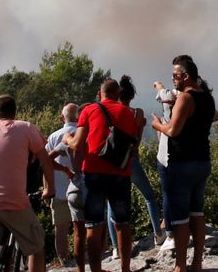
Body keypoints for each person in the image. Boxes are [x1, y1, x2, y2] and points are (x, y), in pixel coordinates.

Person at [0, 95, 57, 272]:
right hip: (14, 202)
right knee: (37, 247)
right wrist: (50, 188)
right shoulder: (26, 128)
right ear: (14, 113)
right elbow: (45, 160)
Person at [67, 78, 143, 272]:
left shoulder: (89, 110)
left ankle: (96, 270)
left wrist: (67, 138)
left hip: (93, 173)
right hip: (120, 173)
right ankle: (125, 268)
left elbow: (77, 144)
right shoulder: (128, 113)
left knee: (93, 225)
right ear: (118, 94)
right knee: (123, 223)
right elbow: (134, 146)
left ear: (100, 94)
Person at [150, 55, 215, 272]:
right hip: (202, 161)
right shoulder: (207, 98)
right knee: (197, 213)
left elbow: (173, 130)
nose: (173, 79)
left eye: (175, 76)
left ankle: (180, 266)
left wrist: (158, 125)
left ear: (185, 76)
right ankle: (197, 263)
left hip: (181, 163)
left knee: (179, 218)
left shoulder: (185, 99)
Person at [104, 78, 165, 257]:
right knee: (149, 197)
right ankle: (158, 234)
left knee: (111, 205)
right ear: (131, 96)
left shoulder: (109, 113)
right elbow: (136, 140)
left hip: (114, 163)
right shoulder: (137, 113)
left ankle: (116, 248)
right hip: (132, 160)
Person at [45, 105, 80, 269]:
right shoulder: (81, 134)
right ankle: (84, 255)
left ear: (61, 118)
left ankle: (64, 261)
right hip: (80, 187)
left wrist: (47, 188)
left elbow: (45, 163)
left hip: (58, 190)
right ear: (78, 117)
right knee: (81, 225)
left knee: (60, 229)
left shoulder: (53, 137)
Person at [151, 79, 176, 253]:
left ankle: (170, 234)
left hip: (167, 155)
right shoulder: (195, 99)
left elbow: (163, 92)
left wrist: (158, 124)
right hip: (188, 157)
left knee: (168, 193)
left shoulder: (172, 97)